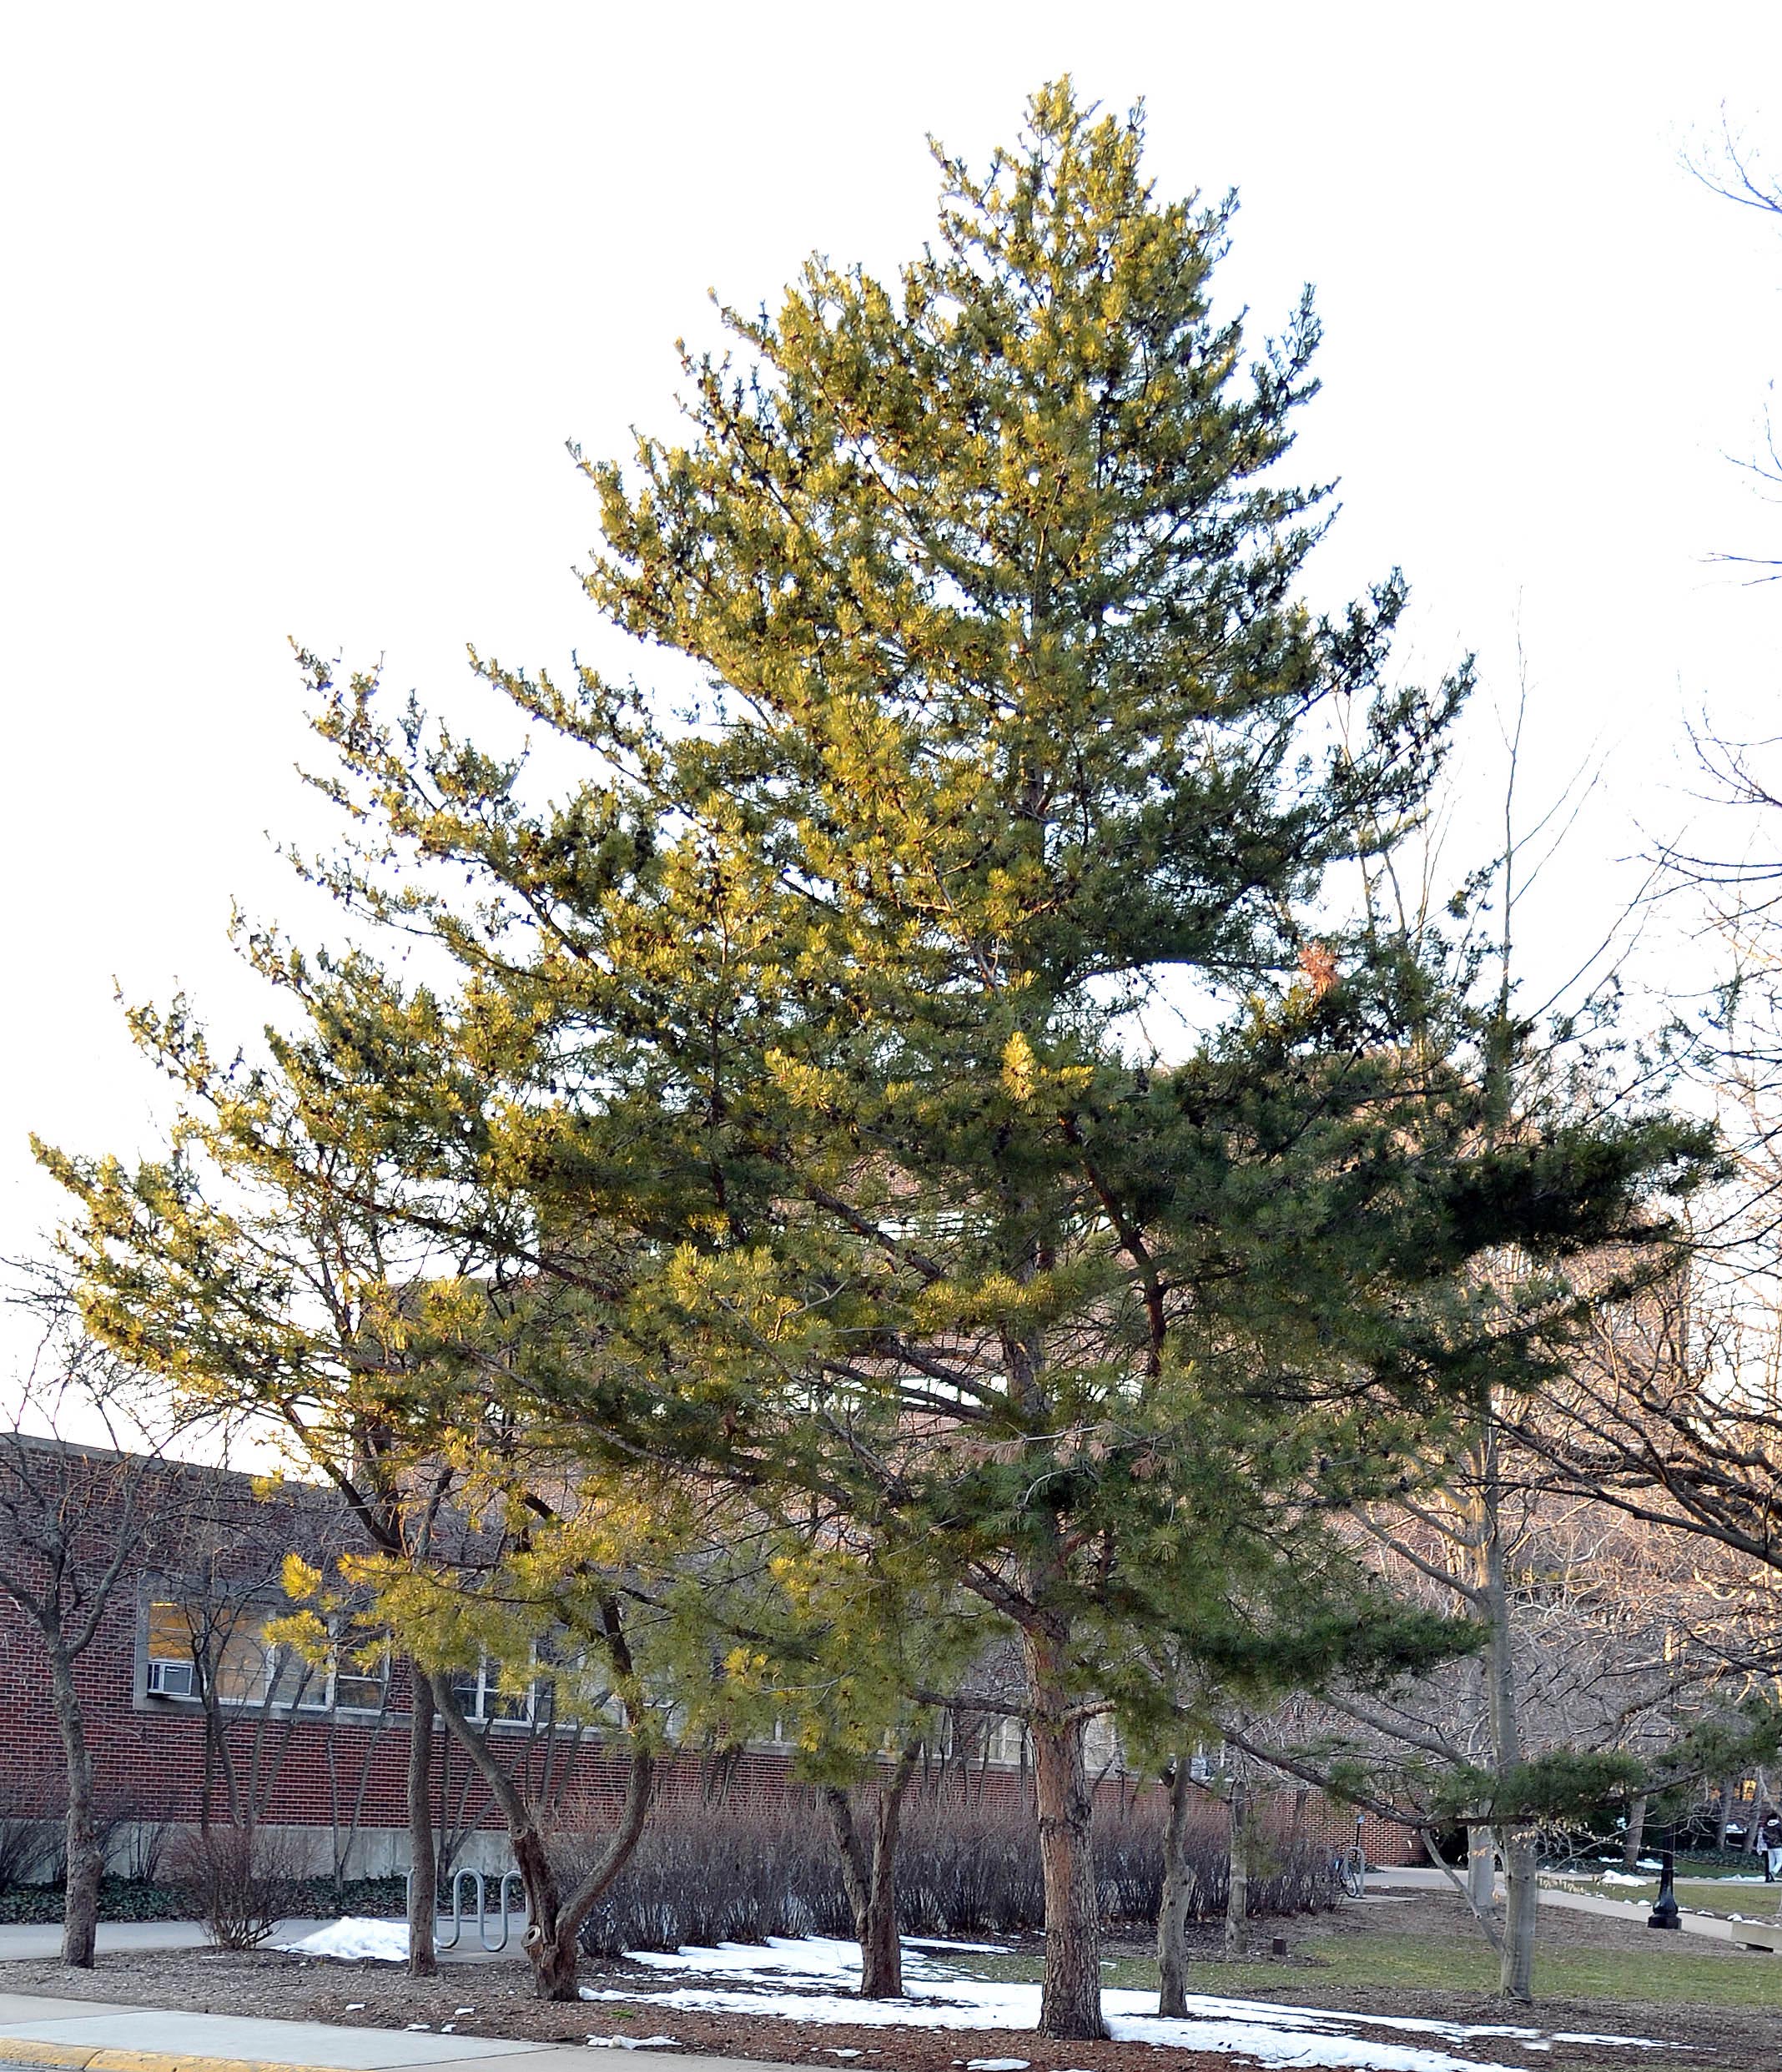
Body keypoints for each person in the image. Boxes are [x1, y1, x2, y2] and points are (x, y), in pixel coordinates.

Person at [1762, 1809, 1782, 1883]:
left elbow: (1764, 1836)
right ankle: (1774, 1872)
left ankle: (1770, 1877)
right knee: (1780, 1861)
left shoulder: (1766, 1826)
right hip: (1778, 1845)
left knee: (1771, 1861)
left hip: (1769, 1846)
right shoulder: (1779, 1826)